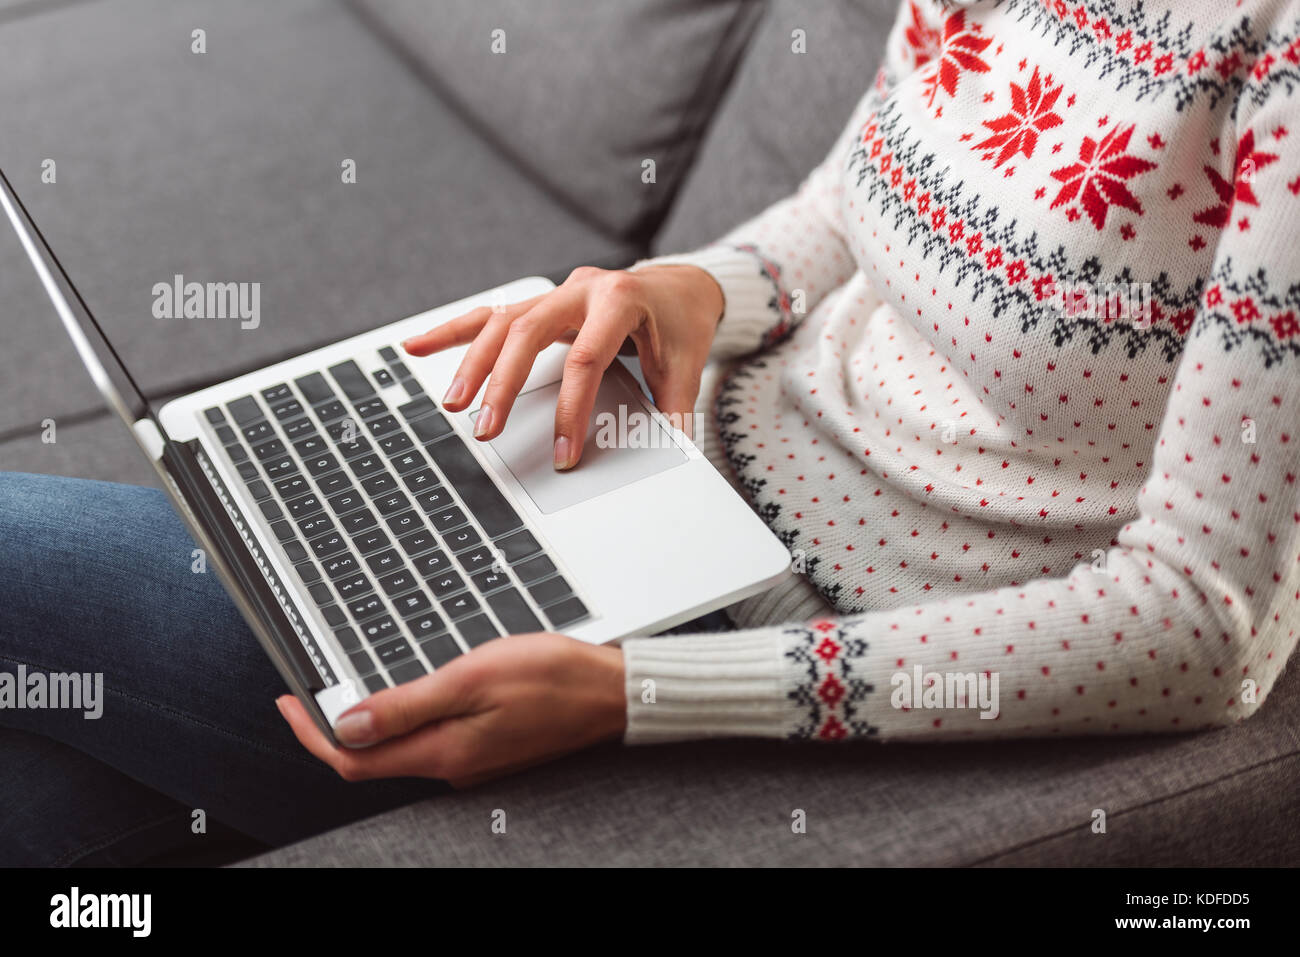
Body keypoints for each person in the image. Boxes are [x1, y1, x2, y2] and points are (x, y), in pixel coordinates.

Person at [2, 0, 1298, 864]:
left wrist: (634, 699)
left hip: (779, 633)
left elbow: (1202, 618)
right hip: (655, 472)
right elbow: (848, 204)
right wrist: (694, 287)